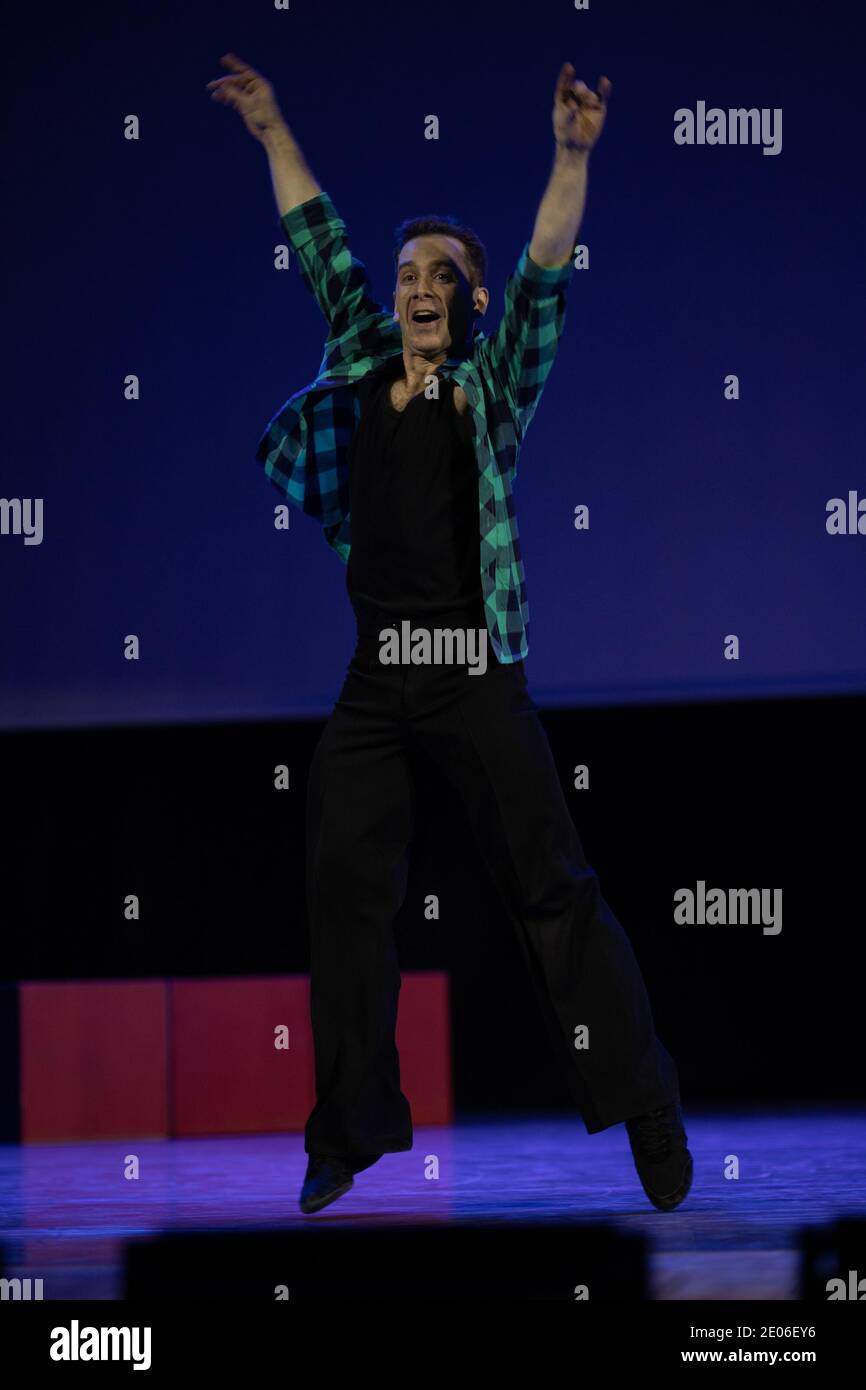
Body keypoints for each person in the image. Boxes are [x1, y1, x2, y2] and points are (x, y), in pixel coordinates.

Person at [208, 52, 693, 1216]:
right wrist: (272, 126)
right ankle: (353, 1123)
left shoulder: (490, 386)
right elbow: (319, 236)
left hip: (474, 673)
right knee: (344, 888)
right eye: (409, 272)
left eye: (443, 277)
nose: (419, 286)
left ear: (467, 308)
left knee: (552, 891)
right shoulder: (366, 361)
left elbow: (539, 277)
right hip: (379, 682)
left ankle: (643, 1099)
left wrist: (571, 155)